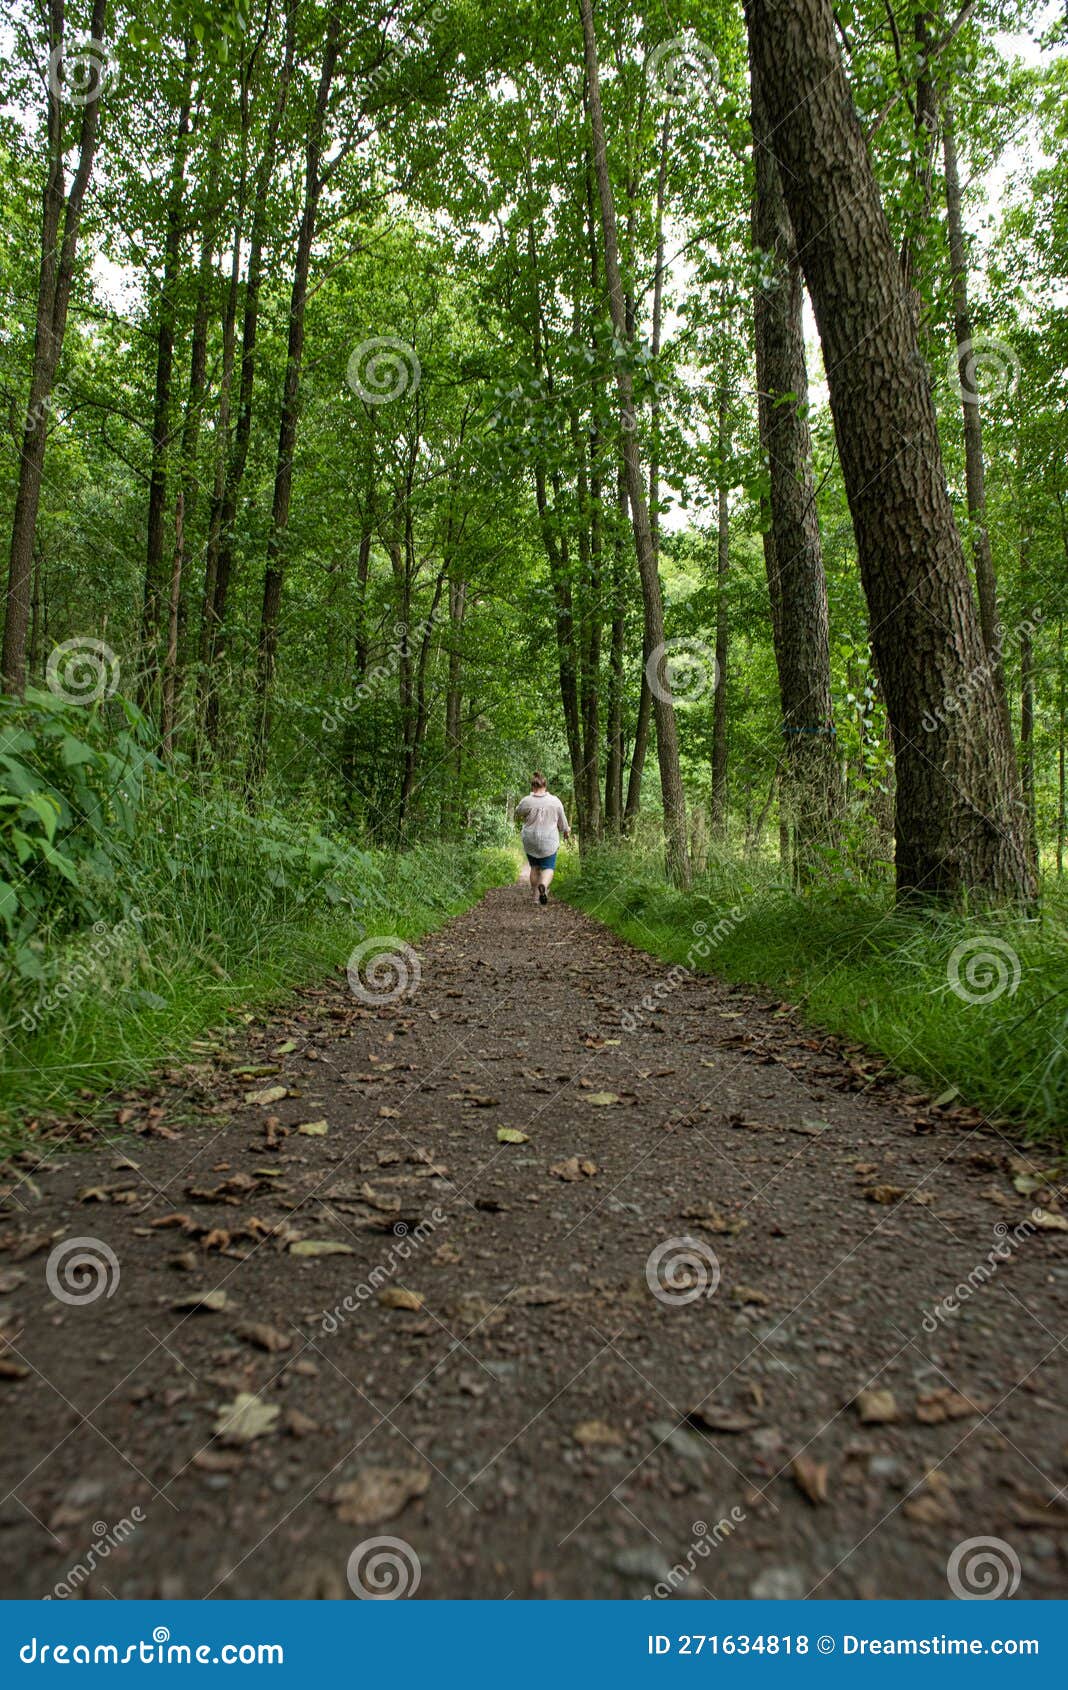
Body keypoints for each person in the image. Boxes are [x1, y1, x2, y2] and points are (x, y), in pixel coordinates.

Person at [515, 773, 571, 906]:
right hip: (549, 841)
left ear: (532, 786)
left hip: (530, 839)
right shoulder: (555, 801)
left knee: (534, 867)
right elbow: (563, 823)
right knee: (548, 868)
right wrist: (566, 831)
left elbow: (518, 812)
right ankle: (543, 887)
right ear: (545, 785)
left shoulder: (527, 800)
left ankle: (535, 897)